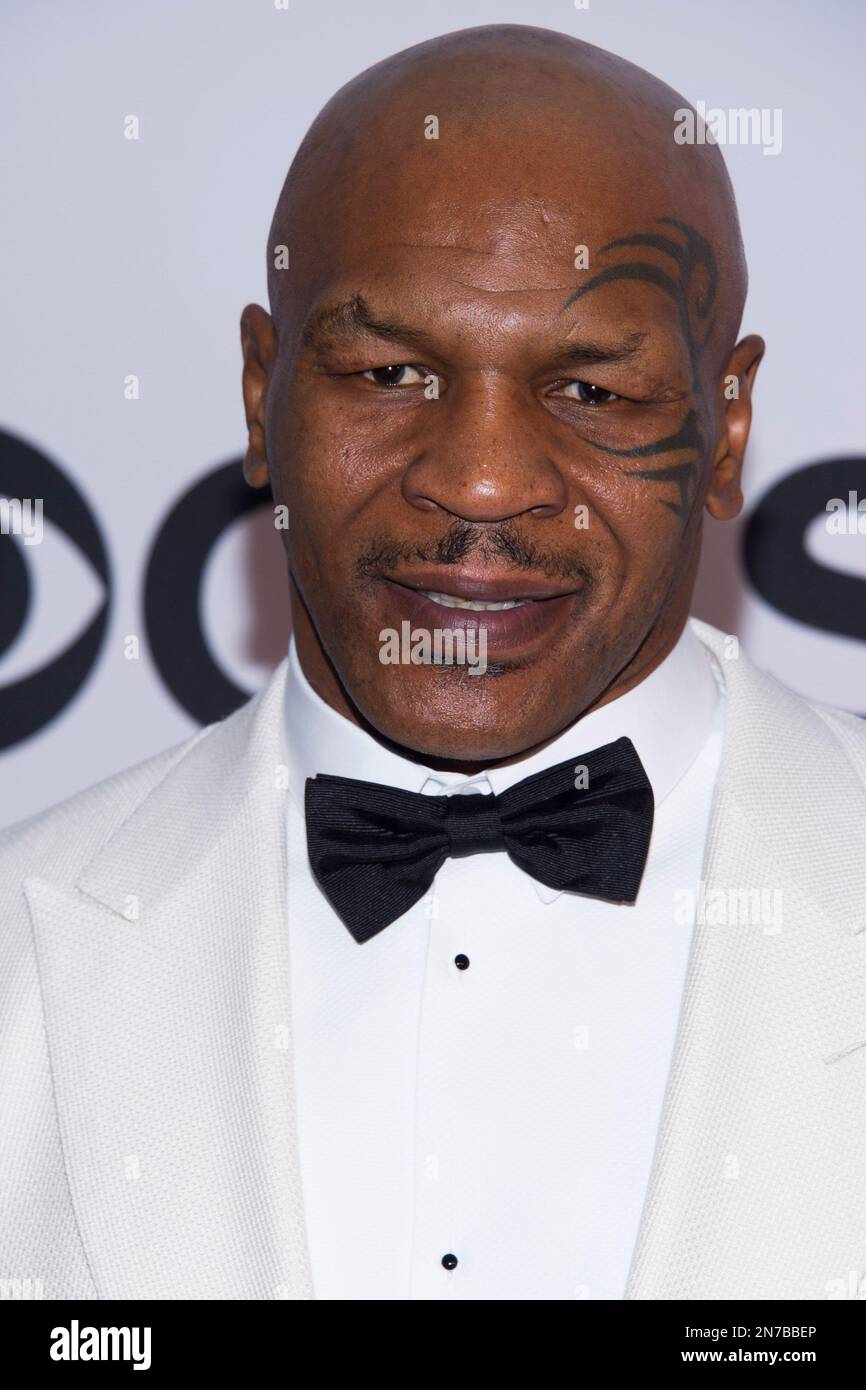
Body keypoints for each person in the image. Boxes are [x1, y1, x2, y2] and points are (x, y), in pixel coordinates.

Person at [1, 24, 864, 1302]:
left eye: (590, 393)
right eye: (387, 370)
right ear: (261, 393)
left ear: (724, 427)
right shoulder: (23, 941)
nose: (479, 479)